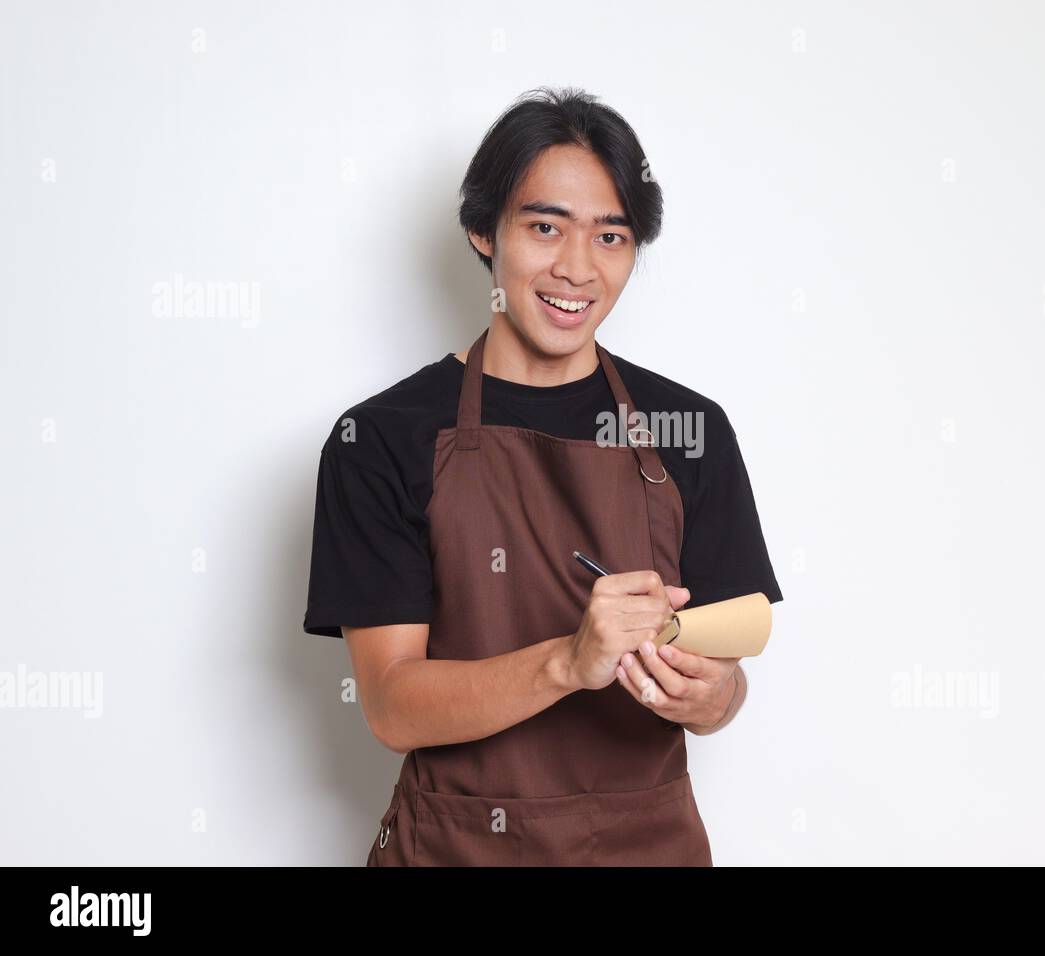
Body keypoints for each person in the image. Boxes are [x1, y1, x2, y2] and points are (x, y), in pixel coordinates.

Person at [302, 86, 783, 866]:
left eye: (612, 236)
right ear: (482, 231)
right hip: (456, 849)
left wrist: (713, 696)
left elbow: (726, 680)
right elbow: (390, 705)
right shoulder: (381, 438)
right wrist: (570, 659)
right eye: (545, 226)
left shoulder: (689, 432)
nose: (577, 268)